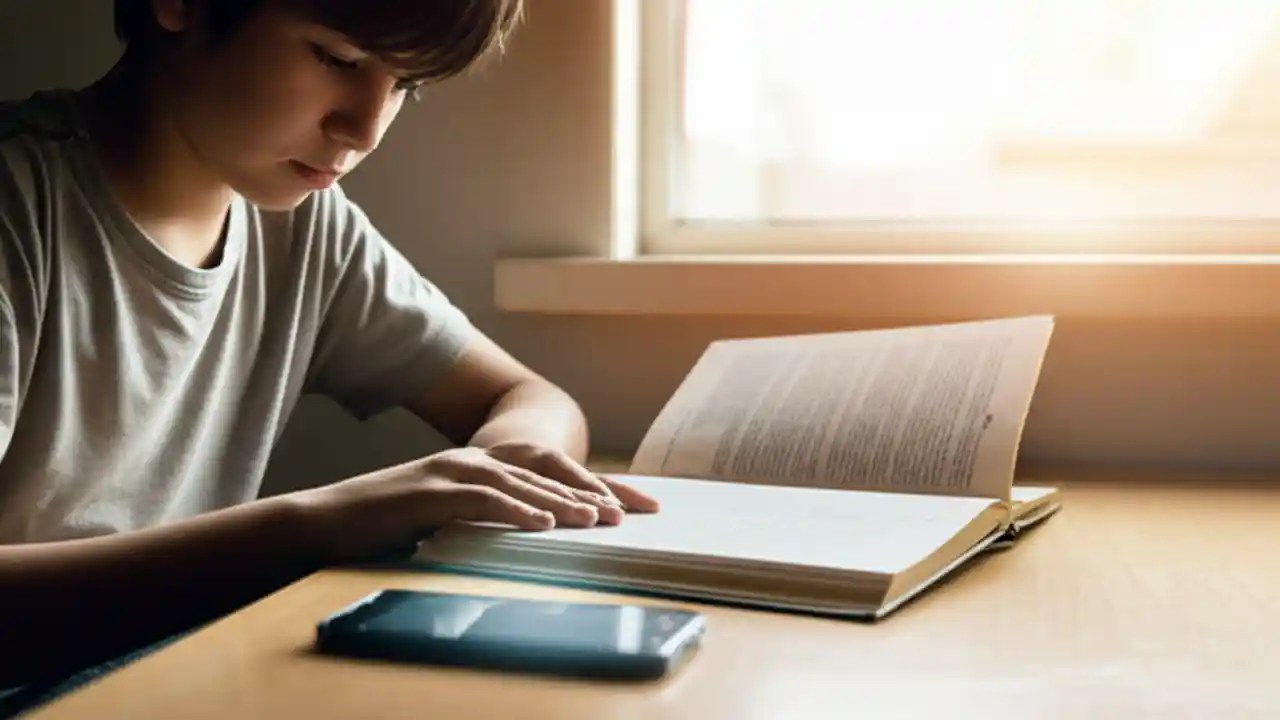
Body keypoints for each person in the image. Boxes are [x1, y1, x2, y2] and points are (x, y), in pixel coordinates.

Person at [0, 0, 659, 701]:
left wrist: (498, 467)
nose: (366, 129)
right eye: (337, 60)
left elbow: (530, 400)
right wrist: (322, 523)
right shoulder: (22, 210)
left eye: (408, 85)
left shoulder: (307, 231)